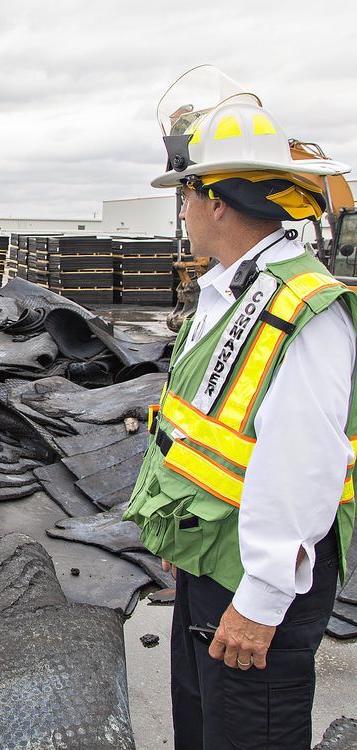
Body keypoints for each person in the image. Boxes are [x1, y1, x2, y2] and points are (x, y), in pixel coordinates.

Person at [123, 68, 356, 749]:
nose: (183, 212)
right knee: (203, 729)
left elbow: (302, 470)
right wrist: (181, 543)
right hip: (209, 559)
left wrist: (259, 604)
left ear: (215, 200)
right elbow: (204, 439)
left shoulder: (301, 310)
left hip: (257, 589)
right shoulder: (228, 292)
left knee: (249, 735)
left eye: (186, 197)